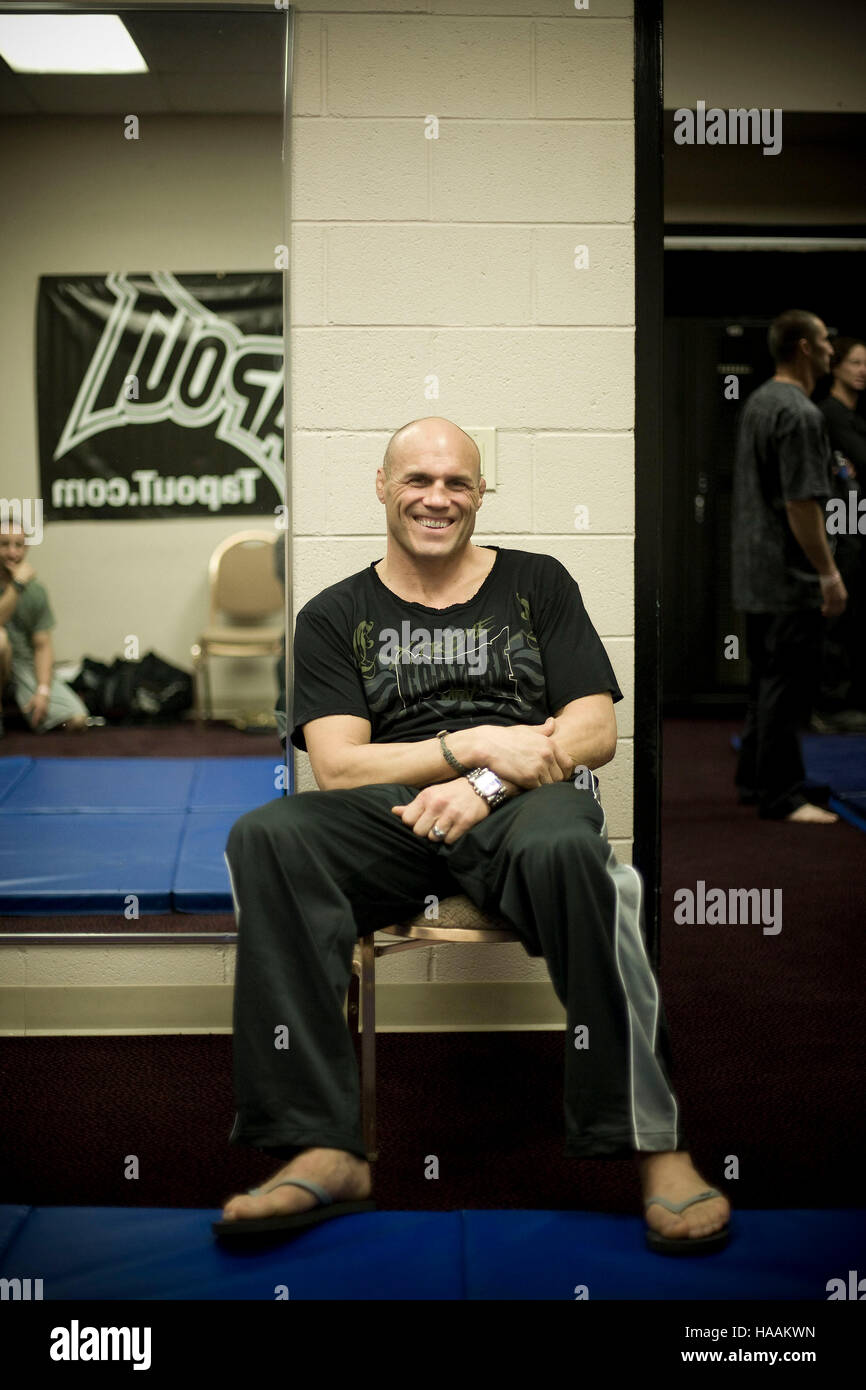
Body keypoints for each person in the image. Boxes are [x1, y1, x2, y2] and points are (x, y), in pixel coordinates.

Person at [215, 417, 731, 1256]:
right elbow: (339, 767)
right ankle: (323, 1144)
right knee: (268, 837)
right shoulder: (334, 613)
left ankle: (654, 1143)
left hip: (522, 805)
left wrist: (486, 781)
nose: (437, 497)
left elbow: (593, 729)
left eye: (458, 482)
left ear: (481, 493)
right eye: (418, 479)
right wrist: (473, 743)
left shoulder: (538, 583)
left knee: (581, 861)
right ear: (382, 487)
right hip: (396, 815)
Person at [731, 310, 845, 823]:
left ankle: (757, 779)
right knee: (786, 686)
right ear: (802, 347)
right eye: (824, 340)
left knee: (765, 681)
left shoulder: (760, 401)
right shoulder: (800, 413)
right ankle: (783, 795)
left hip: (755, 576)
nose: (831, 349)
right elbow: (802, 503)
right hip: (788, 578)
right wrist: (828, 572)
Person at [813, 337, 866, 725]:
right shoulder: (827, 415)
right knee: (837, 617)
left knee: (853, 618)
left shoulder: (855, 418)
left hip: (856, 525)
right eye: (855, 363)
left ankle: (844, 699)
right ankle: (828, 704)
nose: (862, 371)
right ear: (836, 367)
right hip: (837, 527)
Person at [0, 523, 88, 736]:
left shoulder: (36, 591)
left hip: (23, 668)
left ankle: (25, 711)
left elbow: (42, 645)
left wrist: (43, 691)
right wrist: (17, 585)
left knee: (76, 720)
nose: (13, 552)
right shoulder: (21, 584)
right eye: (4, 545)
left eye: (18, 545)